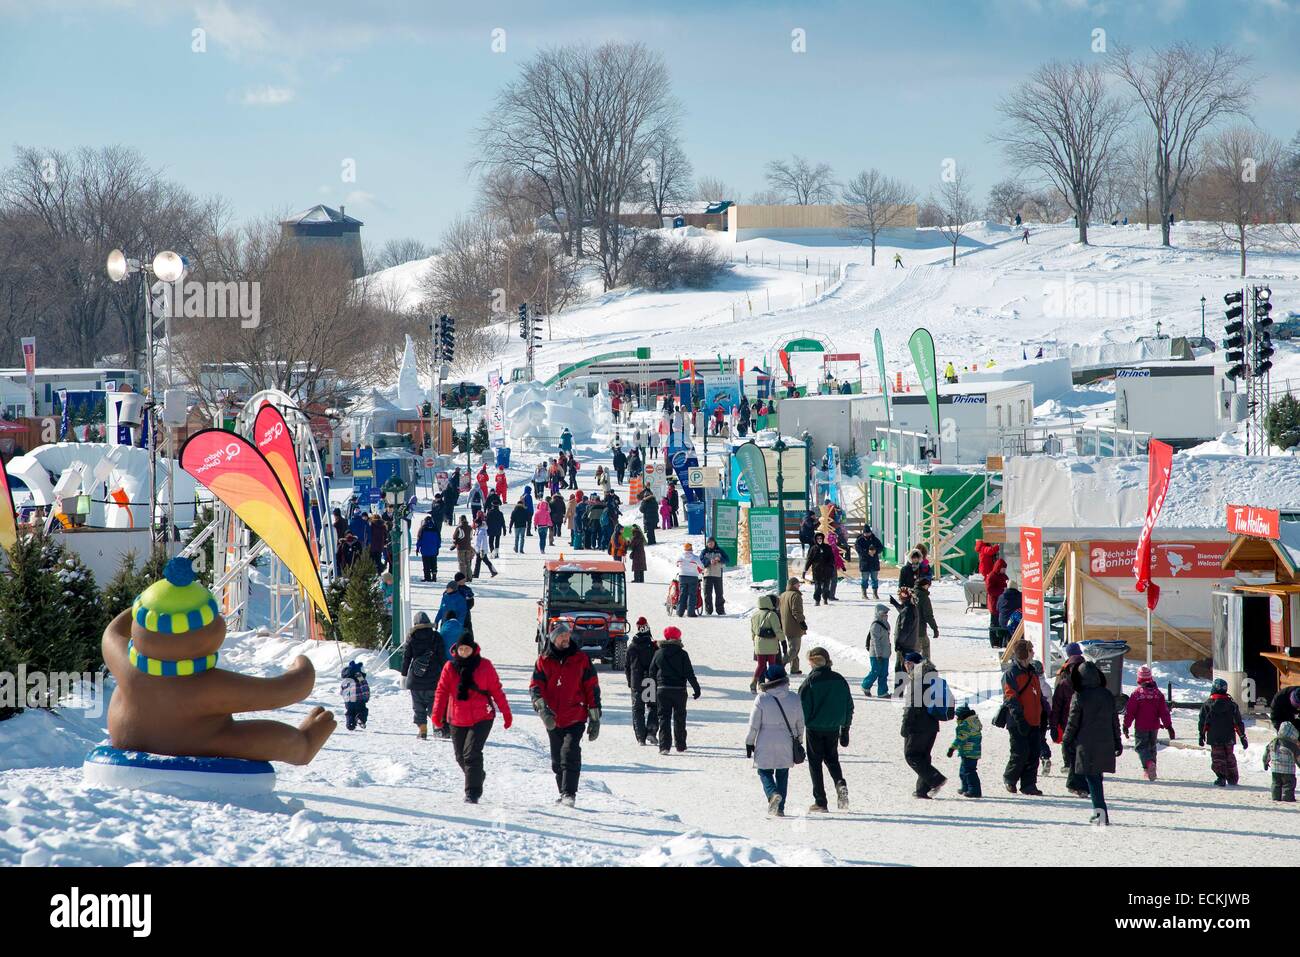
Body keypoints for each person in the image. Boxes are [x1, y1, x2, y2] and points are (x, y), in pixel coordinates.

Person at [431, 635, 512, 804]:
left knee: (471, 754)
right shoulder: (449, 667)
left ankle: (472, 793)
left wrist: (506, 713)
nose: (464, 652)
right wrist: (436, 715)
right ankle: (477, 775)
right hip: (456, 718)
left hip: (482, 717)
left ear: (473, 649)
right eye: (461, 649)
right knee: (460, 757)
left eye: (467, 649)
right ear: (456, 650)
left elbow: (496, 690)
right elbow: (441, 692)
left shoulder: (485, 666)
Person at [530, 622, 602, 807]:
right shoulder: (543, 661)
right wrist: (542, 710)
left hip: (575, 714)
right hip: (553, 718)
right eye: (561, 636)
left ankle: (570, 794)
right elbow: (535, 688)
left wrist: (595, 716)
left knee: (569, 752)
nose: (565, 639)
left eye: (567, 636)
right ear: (553, 638)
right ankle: (563, 792)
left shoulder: (581, 659)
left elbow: (592, 687)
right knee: (557, 759)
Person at [1061, 659, 1122, 825]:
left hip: (1086, 745)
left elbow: (1072, 723)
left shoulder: (1079, 696)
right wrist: (1118, 741)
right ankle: (1100, 814)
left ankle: (1101, 816)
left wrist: (1066, 741)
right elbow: (1114, 721)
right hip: (1105, 743)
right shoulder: (1107, 695)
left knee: (1093, 780)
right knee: (1096, 778)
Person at [746, 663, 804, 818]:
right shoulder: (794, 698)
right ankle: (780, 808)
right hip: (787, 740)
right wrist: (799, 740)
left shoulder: (762, 698)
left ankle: (772, 794)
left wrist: (749, 742)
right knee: (782, 773)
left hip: (766, 740)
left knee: (764, 771)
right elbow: (800, 723)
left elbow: (753, 724)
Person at [799, 646, 853, 812]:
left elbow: (802, 708)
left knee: (815, 764)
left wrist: (798, 731)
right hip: (833, 727)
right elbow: (849, 705)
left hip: (815, 727)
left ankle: (820, 801)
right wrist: (845, 729)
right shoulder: (839, 679)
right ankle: (840, 783)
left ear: (814, 662)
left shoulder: (810, 682)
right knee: (832, 759)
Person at [1002, 639, 1047, 796]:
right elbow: (1010, 698)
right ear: (1023, 653)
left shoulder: (1032, 671)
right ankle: (1010, 779)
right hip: (1018, 721)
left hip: (1035, 719)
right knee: (1020, 752)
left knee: (1034, 753)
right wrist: (1020, 719)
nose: (1033, 652)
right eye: (1030, 650)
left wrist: (1044, 712)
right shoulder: (1011, 673)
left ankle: (1029, 785)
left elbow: (1038, 694)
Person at [900, 652, 948, 798]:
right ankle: (922, 790)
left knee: (911, 755)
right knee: (923, 756)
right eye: (905, 663)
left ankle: (936, 779)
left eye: (908, 663)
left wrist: (905, 725)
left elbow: (912, 706)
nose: (906, 666)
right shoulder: (932, 677)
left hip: (917, 725)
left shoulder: (918, 680)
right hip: (932, 725)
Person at [649, 625, 701, 754]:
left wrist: (653, 687)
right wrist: (696, 688)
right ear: (678, 637)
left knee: (664, 718)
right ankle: (680, 745)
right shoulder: (683, 654)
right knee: (680, 717)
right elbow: (689, 673)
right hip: (679, 690)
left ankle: (664, 747)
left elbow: (651, 672)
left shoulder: (658, 653)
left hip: (662, 689)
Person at [1123, 664, 1175, 781]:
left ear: (1139, 679)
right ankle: (1151, 770)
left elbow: (1130, 712)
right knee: (1152, 748)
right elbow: (1164, 712)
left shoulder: (1137, 694)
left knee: (1141, 747)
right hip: (1154, 726)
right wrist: (1169, 726)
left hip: (1141, 726)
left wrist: (1126, 725)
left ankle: (1148, 765)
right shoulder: (1158, 694)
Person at [401, 612, 446, 739]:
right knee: (434, 705)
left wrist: (403, 675)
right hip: (434, 679)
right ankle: (437, 727)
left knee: (418, 707)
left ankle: (422, 731)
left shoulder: (411, 638)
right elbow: (442, 657)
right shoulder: (436, 637)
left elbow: (406, 658)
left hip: (416, 679)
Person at [1198, 677, 1248, 787]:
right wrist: (1242, 736)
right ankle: (1233, 778)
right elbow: (1237, 723)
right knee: (1229, 756)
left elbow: (1203, 722)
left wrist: (1201, 735)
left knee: (1218, 757)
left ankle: (1221, 777)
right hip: (1229, 736)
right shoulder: (1232, 705)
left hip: (1214, 736)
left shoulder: (1207, 705)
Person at [625, 617, 658, 746]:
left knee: (637, 709)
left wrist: (630, 682)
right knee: (653, 707)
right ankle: (651, 730)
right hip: (650, 681)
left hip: (636, 683)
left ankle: (640, 738)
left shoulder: (632, 647)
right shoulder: (653, 647)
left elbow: (627, 667)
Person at [750, 593, 785, 694]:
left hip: (759, 643)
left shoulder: (755, 614)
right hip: (770, 644)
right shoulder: (772, 614)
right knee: (772, 664)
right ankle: (771, 684)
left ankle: (754, 682)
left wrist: (755, 642)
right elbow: (777, 630)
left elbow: (752, 631)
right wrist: (783, 641)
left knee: (760, 665)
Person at [947, 703, 982, 798]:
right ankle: (965, 788)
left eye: (957, 716)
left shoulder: (966, 725)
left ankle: (974, 791)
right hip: (972, 752)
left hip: (969, 752)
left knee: (970, 772)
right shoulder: (972, 722)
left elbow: (960, 739)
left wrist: (952, 748)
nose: (956, 718)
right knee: (963, 771)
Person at [890, 587, 920, 696]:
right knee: (908, 669)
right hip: (911, 644)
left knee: (900, 669)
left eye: (900, 596)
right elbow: (904, 612)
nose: (899, 597)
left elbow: (904, 629)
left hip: (905, 645)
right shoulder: (912, 608)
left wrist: (898, 643)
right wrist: (895, 604)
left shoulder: (907, 610)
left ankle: (899, 693)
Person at [861, 603, 892, 697]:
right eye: (884, 613)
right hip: (876, 654)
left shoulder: (885, 623)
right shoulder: (875, 625)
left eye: (886, 613)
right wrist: (878, 655)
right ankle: (865, 685)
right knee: (875, 671)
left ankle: (883, 692)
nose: (886, 615)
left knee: (884, 673)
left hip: (885, 653)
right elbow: (875, 642)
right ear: (878, 613)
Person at [1263, 721, 1299, 802]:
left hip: (1275, 769)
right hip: (1288, 770)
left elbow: (1267, 753)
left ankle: (1276, 797)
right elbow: (1298, 757)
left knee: (1276, 783)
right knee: (1289, 784)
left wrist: (1265, 762)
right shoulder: (1292, 745)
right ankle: (1287, 797)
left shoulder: (1273, 742)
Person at [778, 578, 807, 675]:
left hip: (785, 625)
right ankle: (779, 665)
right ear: (793, 585)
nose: (799, 586)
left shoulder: (782, 595)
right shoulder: (795, 595)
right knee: (794, 649)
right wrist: (802, 622)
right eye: (798, 584)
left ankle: (795, 669)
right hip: (794, 626)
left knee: (793, 647)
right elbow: (796, 611)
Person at [802, 531, 836, 607]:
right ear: (815, 539)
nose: (819, 539)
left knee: (826, 587)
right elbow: (809, 560)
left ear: (823, 539)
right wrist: (805, 570)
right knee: (817, 587)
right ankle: (817, 600)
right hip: (817, 571)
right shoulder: (813, 548)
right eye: (818, 538)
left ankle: (825, 599)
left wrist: (830, 567)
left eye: (821, 538)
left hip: (827, 570)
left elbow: (832, 559)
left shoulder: (827, 547)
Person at [674, 543, 705, 617]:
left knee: (682, 594)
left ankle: (679, 612)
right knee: (692, 595)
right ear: (691, 549)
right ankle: (690, 613)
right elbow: (702, 566)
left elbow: (676, 564)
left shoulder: (680, 557)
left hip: (682, 577)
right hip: (693, 577)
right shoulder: (695, 558)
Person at [699, 537, 727, 615]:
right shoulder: (704, 552)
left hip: (717, 575)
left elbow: (727, 559)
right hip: (707, 575)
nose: (710, 544)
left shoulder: (720, 551)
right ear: (707, 544)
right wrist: (708, 561)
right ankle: (708, 610)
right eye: (709, 543)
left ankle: (720, 610)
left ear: (715, 543)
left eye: (712, 543)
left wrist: (720, 559)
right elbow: (700, 561)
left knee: (719, 593)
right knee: (707, 594)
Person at [340, 660, 370, 731]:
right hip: (359, 699)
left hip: (348, 700)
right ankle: (360, 718)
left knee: (350, 712)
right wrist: (366, 697)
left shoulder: (346, 679)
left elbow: (342, 690)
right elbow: (364, 686)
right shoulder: (359, 676)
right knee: (362, 710)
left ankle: (350, 724)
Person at [855, 526, 883, 599]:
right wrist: (867, 552)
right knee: (865, 579)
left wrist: (875, 551)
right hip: (864, 562)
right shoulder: (859, 540)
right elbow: (859, 550)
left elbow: (881, 547)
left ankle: (875, 593)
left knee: (875, 579)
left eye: (868, 533)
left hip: (874, 562)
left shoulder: (875, 539)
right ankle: (864, 593)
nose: (867, 534)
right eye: (866, 533)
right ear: (863, 533)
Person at [414, 514, 442, 582]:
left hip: (425, 550)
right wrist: (438, 547)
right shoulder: (435, 529)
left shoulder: (422, 529)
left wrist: (417, 548)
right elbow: (439, 540)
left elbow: (419, 539)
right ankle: (434, 577)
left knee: (426, 565)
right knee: (434, 564)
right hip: (433, 550)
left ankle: (427, 577)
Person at [985, 558, 1009, 632]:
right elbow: (989, 590)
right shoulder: (991, 576)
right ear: (999, 568)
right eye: (1003, 569)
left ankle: (999, 640)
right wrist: (1002, 590)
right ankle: (994, 641)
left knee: (1001, 623)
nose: (1004, 570)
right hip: (994, 603)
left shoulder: (1004, 576)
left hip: (1002, 603)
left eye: (1005, 569)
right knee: (994, 623)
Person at [452, 515, 475, 580]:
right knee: (468, 562)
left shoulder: (459, 528)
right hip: (468, 547)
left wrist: (455, 544)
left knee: (462, 563)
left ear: (460, 520)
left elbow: (454, 537)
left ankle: (463, 578)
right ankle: (469, 577)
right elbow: (470, 537)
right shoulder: (470, 528)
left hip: (460, 547)